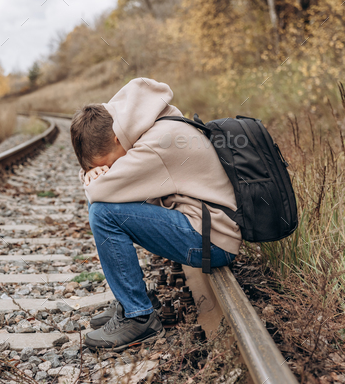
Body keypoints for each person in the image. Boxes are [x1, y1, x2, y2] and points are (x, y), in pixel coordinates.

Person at [70, 77, 242, 351]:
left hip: (213, 242)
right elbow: (103, 186)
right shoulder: (155, 124)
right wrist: (93, 171)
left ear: (116, 139)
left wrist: (93, 178)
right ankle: (133, 299)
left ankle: (138, 315)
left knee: (103, 213)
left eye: (109, 164)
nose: (113, 168)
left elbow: (97, 193)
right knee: (106, 207)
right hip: (207, 227)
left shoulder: (154, 145)